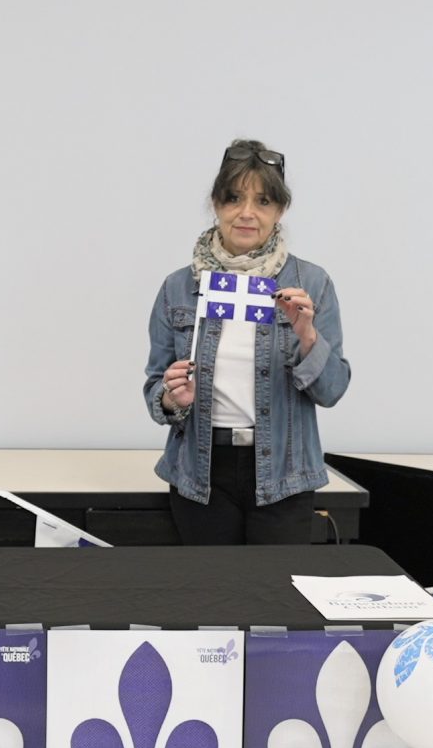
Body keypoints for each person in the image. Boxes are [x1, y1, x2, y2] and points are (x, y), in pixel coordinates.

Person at [144, 139, 351, 543]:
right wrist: (171, 398)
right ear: (216, 203)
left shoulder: (312, 283)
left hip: (283, 471)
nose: (247, 213)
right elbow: (155, 386)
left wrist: (307, 335)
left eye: (264, 201)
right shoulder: (178, 288)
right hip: (201, 472)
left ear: (281, 210)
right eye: (234, 198)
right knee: (210, 597)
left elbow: (332, 391)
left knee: (274, 596)